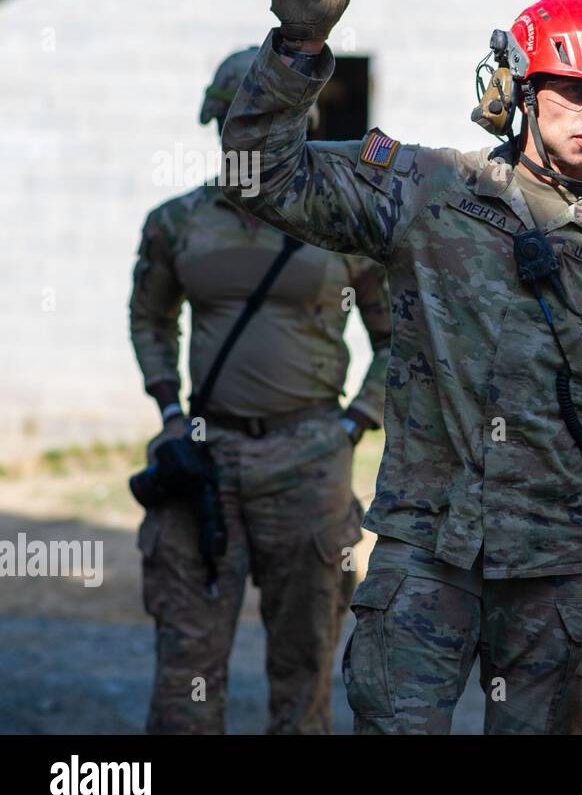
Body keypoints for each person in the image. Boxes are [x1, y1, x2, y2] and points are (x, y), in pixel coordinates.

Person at [218, 0, 582, 734]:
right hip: (425, 555)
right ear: (517, 91)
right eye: (571, 91)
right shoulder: (426, 189)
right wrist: (294, 53)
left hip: (556, 583)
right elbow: (255, 177)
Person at [129, 45, 390, 734]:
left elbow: (402, 335)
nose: (251, 136)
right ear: (218, 122)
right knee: (186, 667)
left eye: (271, 123)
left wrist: (357, 420)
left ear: (301, 124)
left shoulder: (344, 220)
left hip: (310, 456)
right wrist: (167, 408)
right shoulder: (178, 222)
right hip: (203, 456)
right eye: (241, 121)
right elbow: (151, 316)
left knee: (304, 669)